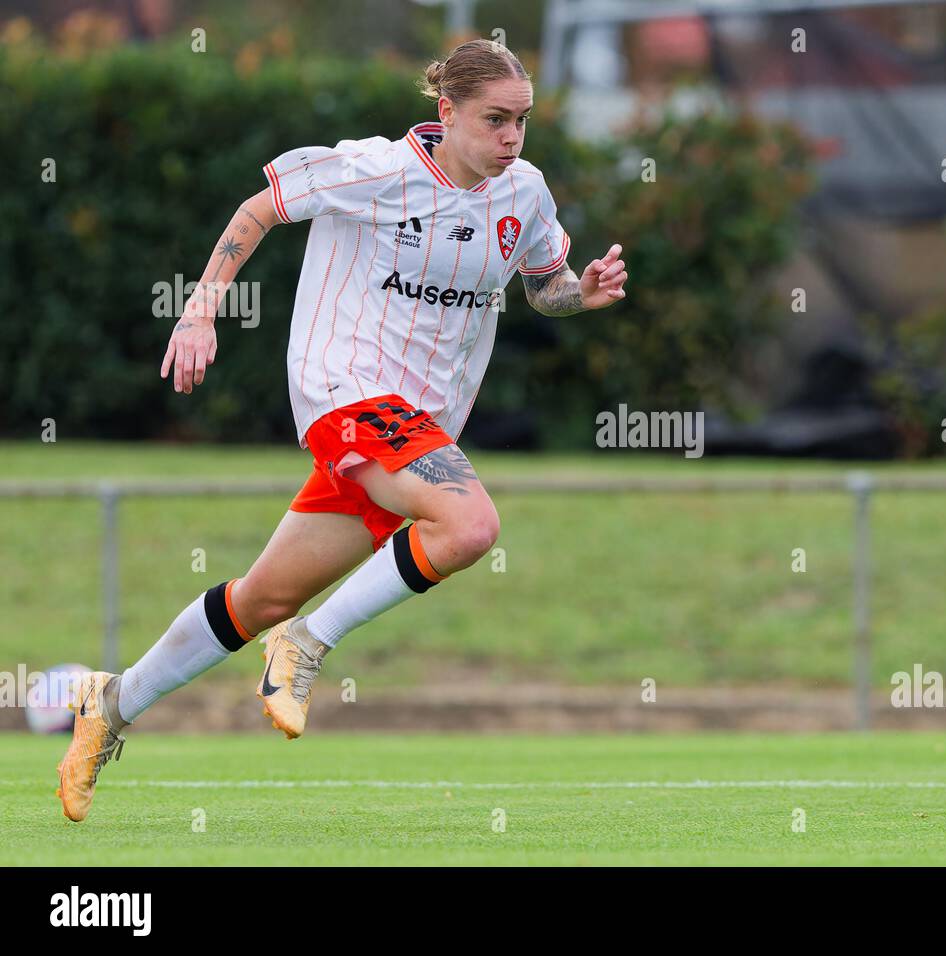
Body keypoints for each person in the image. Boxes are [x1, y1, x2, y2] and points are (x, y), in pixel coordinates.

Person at [56, 38, 628, 822]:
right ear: (447, 111)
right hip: (345, 393)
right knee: (470, 526)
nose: (511, 139)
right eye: (495, 120)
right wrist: (200, 309)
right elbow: (258, 209)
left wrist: (581, 292)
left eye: (522, 122)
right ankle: (306, 645)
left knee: (259, 597)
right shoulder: (374, 170)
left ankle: (109, 706)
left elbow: (544, 284)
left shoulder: (522, 193)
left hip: (416, 429)